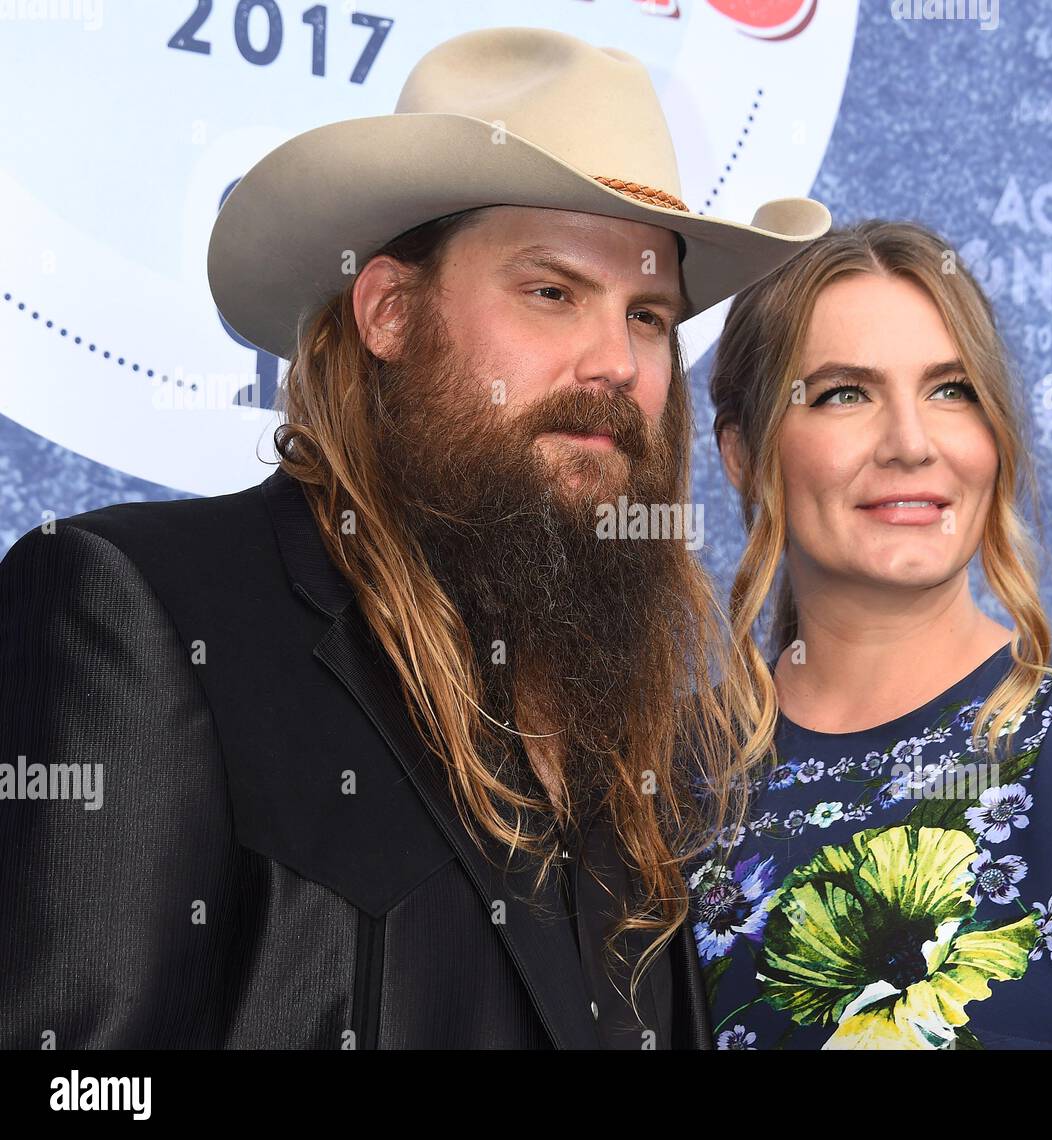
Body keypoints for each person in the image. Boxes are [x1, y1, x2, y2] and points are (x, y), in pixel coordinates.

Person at [0, 26, 829, 1049]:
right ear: (390, 310)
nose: (615, 361)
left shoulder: (645, 726)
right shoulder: (144, 610)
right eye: (553, 291)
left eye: (650, 315)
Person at [687, 218, 1052, 1051]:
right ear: (743, 453)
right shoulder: (669, 780)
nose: (910, 443)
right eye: (843, 393)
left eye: (951, 389)